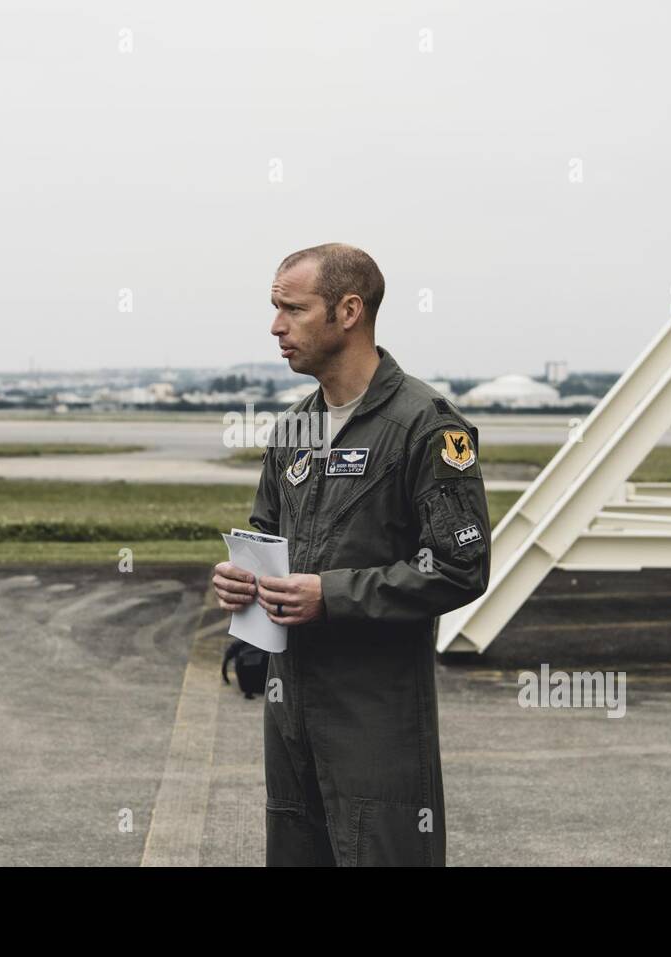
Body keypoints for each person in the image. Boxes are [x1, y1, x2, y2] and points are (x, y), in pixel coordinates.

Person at [211, 243, 491, 866]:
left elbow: (460, 567)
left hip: (375, 716)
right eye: (275, 309)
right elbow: (266, 535)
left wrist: (330, 596)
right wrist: (241, 580)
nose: (276, 326)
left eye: (293, 309)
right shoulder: (293, 429)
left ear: (348, 311)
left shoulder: (427, 426)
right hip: (289, 712)